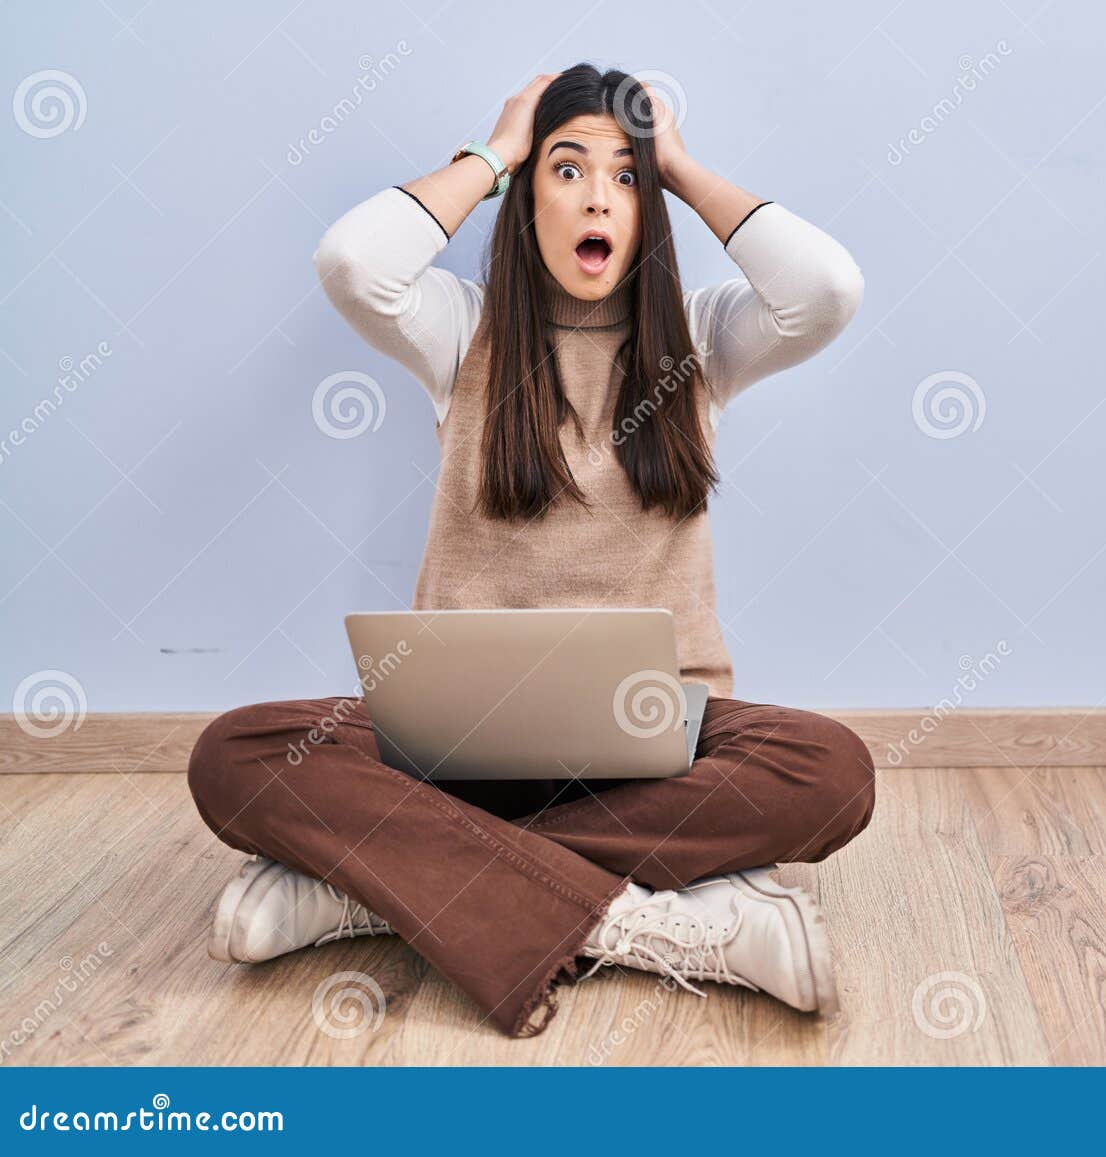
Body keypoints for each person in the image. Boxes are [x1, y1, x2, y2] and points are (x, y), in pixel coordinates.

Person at [186, 63, 873, 1037]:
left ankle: (376, 889)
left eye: (623, 176)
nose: (599, 193)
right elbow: (351, 262)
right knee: (237, 753)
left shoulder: (702, 340)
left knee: (828, 767)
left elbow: (827, 289)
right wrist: (495, 151)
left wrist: (675, 160)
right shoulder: (460, 334)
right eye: (566, 169)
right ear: (525, 200)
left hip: (663, 743)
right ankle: (653, 922)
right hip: (455, 752)